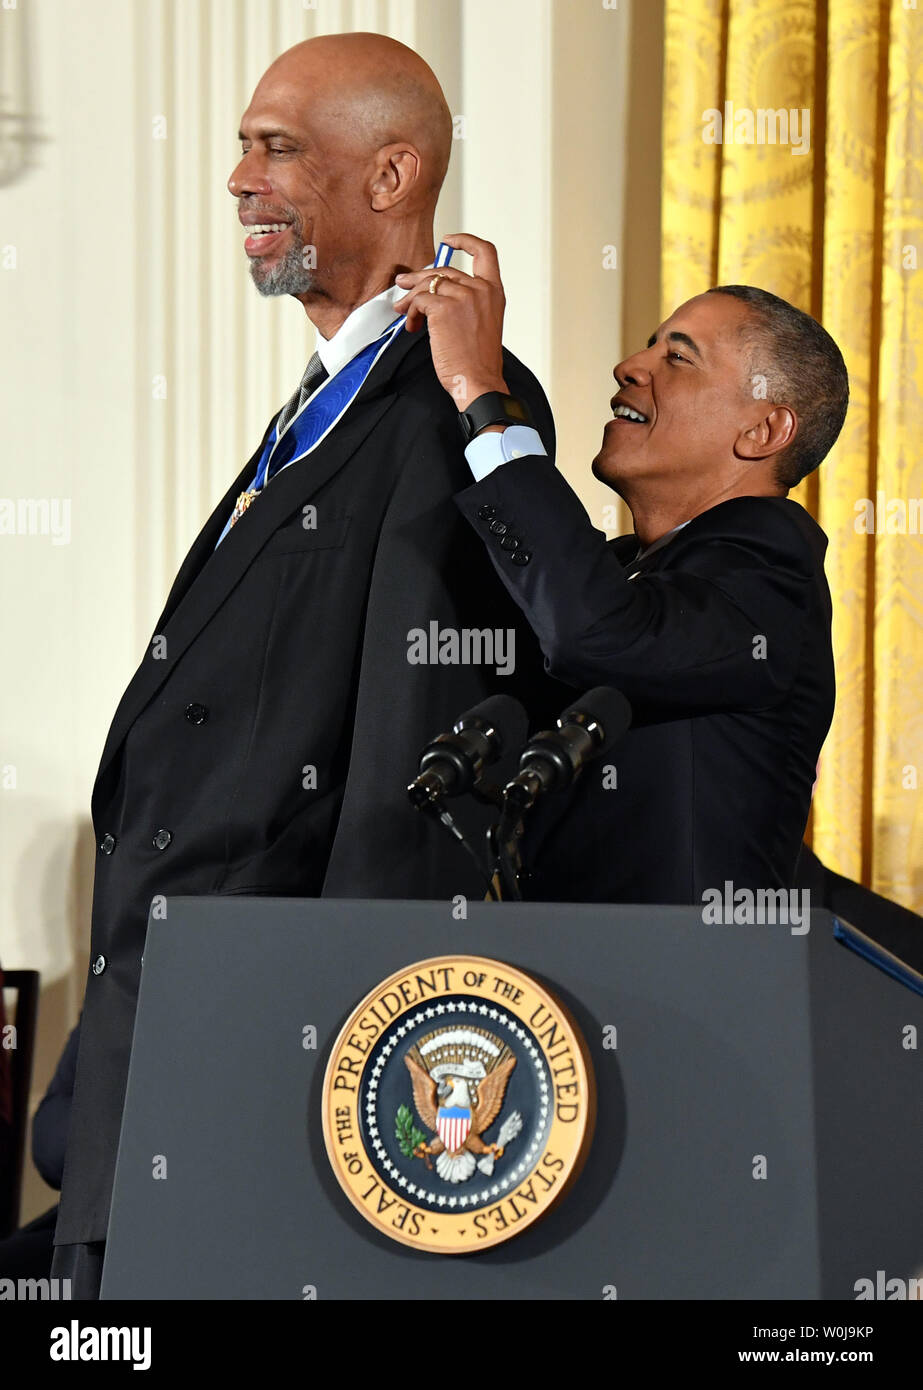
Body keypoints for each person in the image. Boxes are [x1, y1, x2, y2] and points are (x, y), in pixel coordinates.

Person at [51, 38, 559, 1298]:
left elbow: (411, 759)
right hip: (168, 1035)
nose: (237, 178)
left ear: (392, 173)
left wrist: (354, 1058)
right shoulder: (328, 400)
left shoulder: (455, 400)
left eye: (277, 147)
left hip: (272, 1060)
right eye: (240, 145)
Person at [393, 234, 848, 903]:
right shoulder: (621, 573)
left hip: (675, 993)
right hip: (544, 985)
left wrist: (484, 392)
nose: (629, 366)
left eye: (677, 357)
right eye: (646, 345)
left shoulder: (771, 569)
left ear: (762, 431)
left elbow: (598, 633)